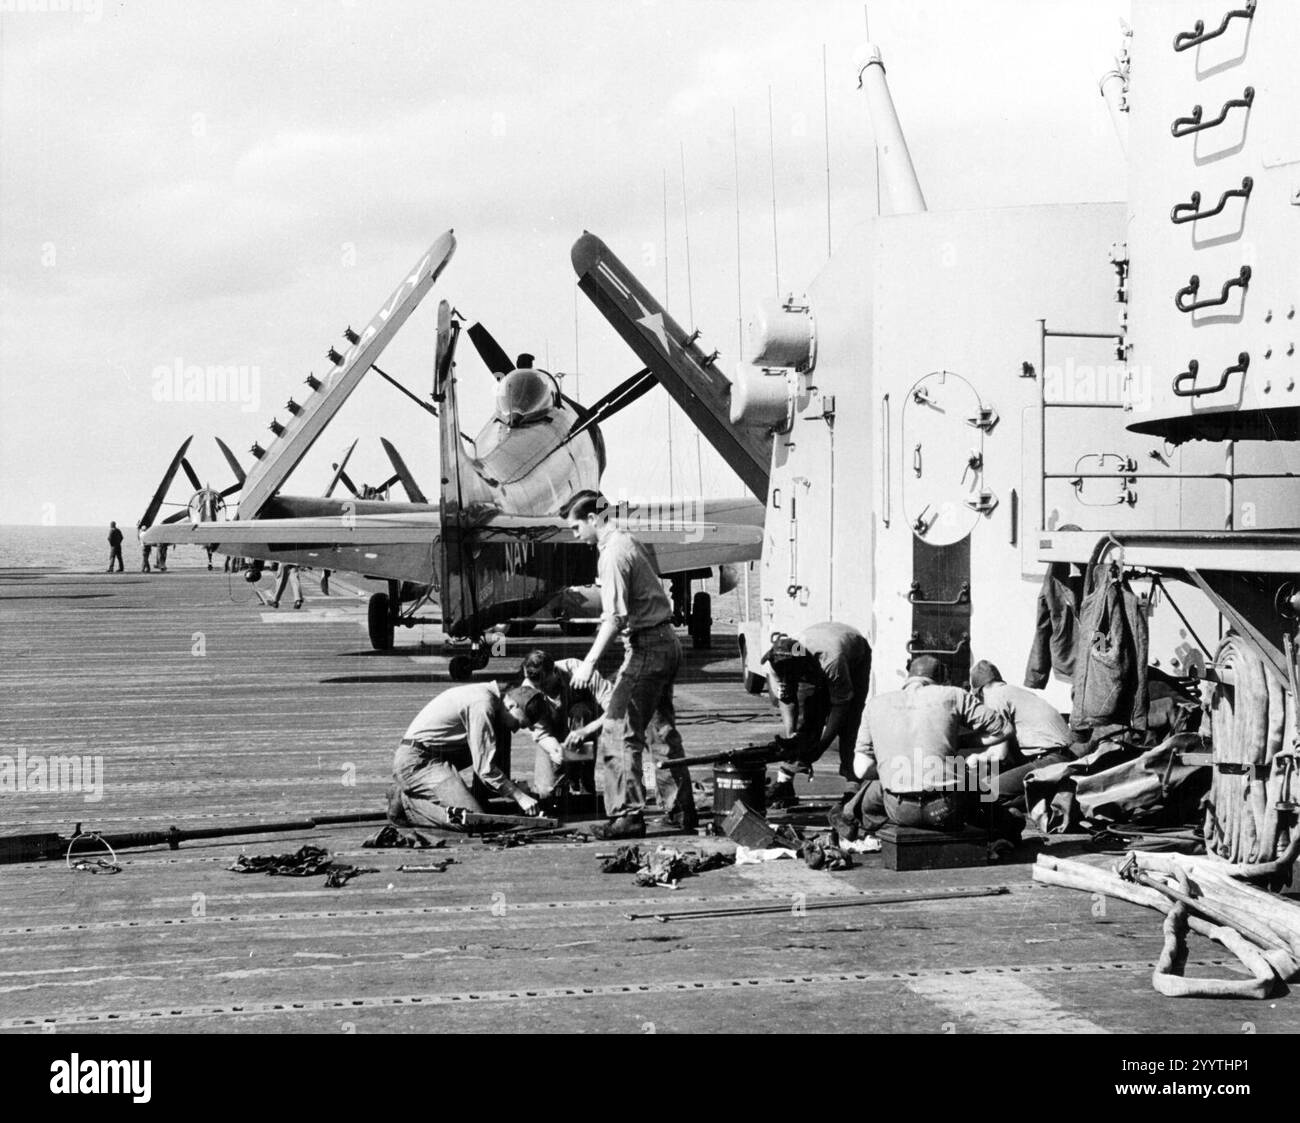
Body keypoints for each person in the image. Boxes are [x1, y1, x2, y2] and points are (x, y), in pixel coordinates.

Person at [563, 489, 696, 839]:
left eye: (576, 527)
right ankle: (681, 810)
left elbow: (615, 618)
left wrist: (588, 663)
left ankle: (626, 815)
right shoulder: (628, 541)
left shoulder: (613, 554)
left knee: (618, 732)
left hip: (648, 648)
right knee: (660, 731)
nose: (575, 535)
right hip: (666, 643)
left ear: (593, 519)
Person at [837, 655, 1015, 838]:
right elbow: (1005, 729)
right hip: (946, 809)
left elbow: (862, 769)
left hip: (899, 810)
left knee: (878, 784)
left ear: (908, 677)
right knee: (970, 782)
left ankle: (850, 819)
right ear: (941, 680)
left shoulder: (875, 704)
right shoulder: (954, 695)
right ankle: (1007, 823)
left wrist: (894, 771)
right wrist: (962, 741)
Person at [387, 681, 543, 830]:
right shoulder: (482, 705)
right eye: (520, 723)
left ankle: (480, 796)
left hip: (433, 756)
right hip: (416, 763)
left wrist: (510, 787)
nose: (517, 729)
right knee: (472, 819)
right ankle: (405, 803)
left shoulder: (492, 698)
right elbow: (486, 769)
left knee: (501, 728)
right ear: (512, 705)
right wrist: (520, 796)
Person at [761, 623, 870, 807]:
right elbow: (787, 700)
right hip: (816, 653)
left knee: (850, 724)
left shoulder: (832, 661)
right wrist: (791, 737)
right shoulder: (775, 662)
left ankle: (852, 788)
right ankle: (784, 782)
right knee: (806, 721)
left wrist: (822, 745)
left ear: (802, 668)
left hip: (853, 657)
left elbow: (840, 707)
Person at [969, 660, 1078, 813]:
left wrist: (974, 758)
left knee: (987, 794)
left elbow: (999, 755)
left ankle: (1051, 798)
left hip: (1050, 760)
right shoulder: (1018, 693)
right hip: (1067, 757)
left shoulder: (994, 696)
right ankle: (1053, 795)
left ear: (979, 692)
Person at [518, 648, 612, 805]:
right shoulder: (528, 689)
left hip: (584, 731)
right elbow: (540, 733)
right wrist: (554, 750)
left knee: (581, 712)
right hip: (554, 733)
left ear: (554, 670)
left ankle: (582, 779)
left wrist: (585, 730)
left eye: (545, 684)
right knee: (545, 793)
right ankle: (567, 775)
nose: (542, 690)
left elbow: (615, 708)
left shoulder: (579, 670)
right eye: (537, 686)